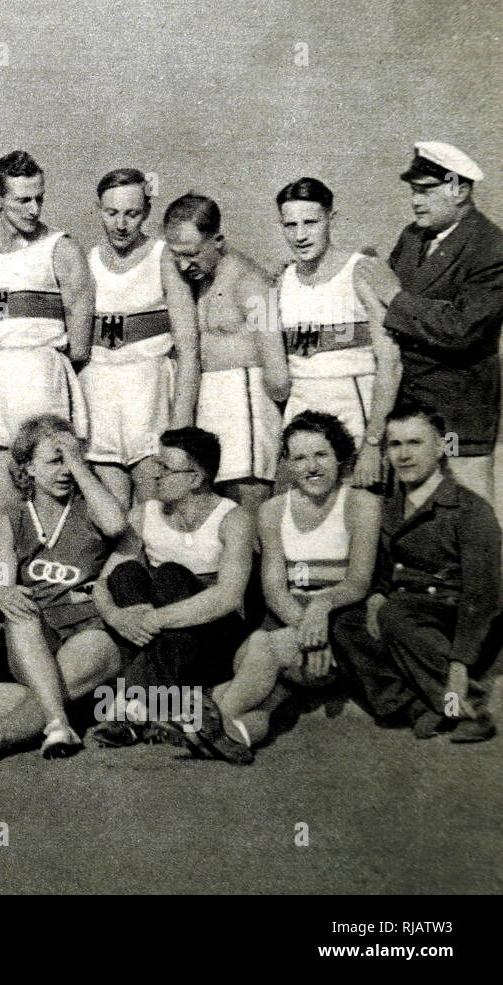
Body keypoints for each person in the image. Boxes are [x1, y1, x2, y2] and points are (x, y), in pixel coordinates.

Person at [195, 412, 381, 762]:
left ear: (340, 455)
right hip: (290, 621)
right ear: (287, 465)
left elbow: (358, 582)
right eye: (299, 458)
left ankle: (210, 722)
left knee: (260, 650)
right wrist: (307, 628)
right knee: (265, 693)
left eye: (321, 454)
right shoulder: (270, 511)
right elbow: (275, 590)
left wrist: (320, 616)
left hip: (337, 625)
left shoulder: (361, 504)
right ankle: (233, 735)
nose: (311, 466)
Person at [0, 414, 129, 762]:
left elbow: (115, 524)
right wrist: (1, 590)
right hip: (36, 641)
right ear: (28, 469)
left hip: (89, 633)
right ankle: (60, 716)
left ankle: (29, 727)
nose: (65, 471)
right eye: (55, 461)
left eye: (71, 460)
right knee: (17, 608)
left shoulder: (90, 509)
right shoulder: (12, 520)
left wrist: (79, 466)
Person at [333, 399, 500, 743]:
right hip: (405, 617)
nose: (404, 455)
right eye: (395, 444)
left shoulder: (469, 508)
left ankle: (467, 706)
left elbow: (483, 597)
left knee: (397, 613)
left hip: (453, 620)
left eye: (415, 443)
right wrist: (378, 593)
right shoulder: (391, 506)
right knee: (346, 623)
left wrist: (459, 661)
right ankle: (419, 710)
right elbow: (383, 565)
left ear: (440, 447)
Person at [92, 426, 255, 747]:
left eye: (165, 468)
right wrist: (115, 617)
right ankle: (151, 708)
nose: (155, 476)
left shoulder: (233, 518)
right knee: (126, 572)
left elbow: (228, 596)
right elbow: (102, 583)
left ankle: (131, 707)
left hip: (212, 636)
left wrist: (155, 619)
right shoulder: (144, 514)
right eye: (156, 466)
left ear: (195, 478)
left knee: (169, 575)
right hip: (160, 639)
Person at [381, 142, 503, 514]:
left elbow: (462, 327)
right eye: (414, 191)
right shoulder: (413, 236)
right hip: (410, 411)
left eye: (427, 190)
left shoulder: (491, 247)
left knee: (469, 515)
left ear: (460, 190)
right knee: (414, 515)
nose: (416, 201)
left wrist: (395, 298)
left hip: (459, 418)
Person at [0, 151, 92, 515]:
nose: (34, 209)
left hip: (41, 376)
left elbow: (81, 343)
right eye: (23, 200)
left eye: (39, 198)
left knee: (49, 497)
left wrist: (46, 369)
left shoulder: (61, 248)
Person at [81, 168, 200, 506]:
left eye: (131, 214)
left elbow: (189, 349)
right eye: (112, 213)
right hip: (101, 398)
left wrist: (181, 424)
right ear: (99, 210)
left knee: (152, 509)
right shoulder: (88, 261)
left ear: (146, 211)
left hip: (149, 395)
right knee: (110, 514)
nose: (121, 224)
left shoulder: (163, 256)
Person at [273, 178, 402, 488]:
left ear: (331, 219)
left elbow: (391, 365)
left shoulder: (362, 272)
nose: (300, 235)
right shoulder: (281, 281)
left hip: (355, 416)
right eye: (290, 225)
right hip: (301, 417)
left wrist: (373, 445)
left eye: (310, 223)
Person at [166, 193, 289, 510]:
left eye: (192, 254)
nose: (183, 265)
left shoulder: (251, 282)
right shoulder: (202, 279)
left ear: (217, 240)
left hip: (245, 402)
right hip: (211, 401)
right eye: (177, 255)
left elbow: (276, 368)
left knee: (248, 504)